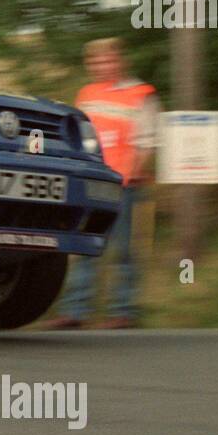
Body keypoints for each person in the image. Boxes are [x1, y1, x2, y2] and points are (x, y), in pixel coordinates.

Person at [46, 37, 159, 330]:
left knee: (123, 250)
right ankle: (75, 311)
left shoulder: (141, 94)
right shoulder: (87, 93)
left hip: (124, 184)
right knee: (83, 247)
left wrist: (130, 176)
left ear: (121, 61)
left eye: (106, 60)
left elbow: (147, 143)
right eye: (95, 62)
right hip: (90, 183)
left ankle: (123, 311)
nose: (101, 66)